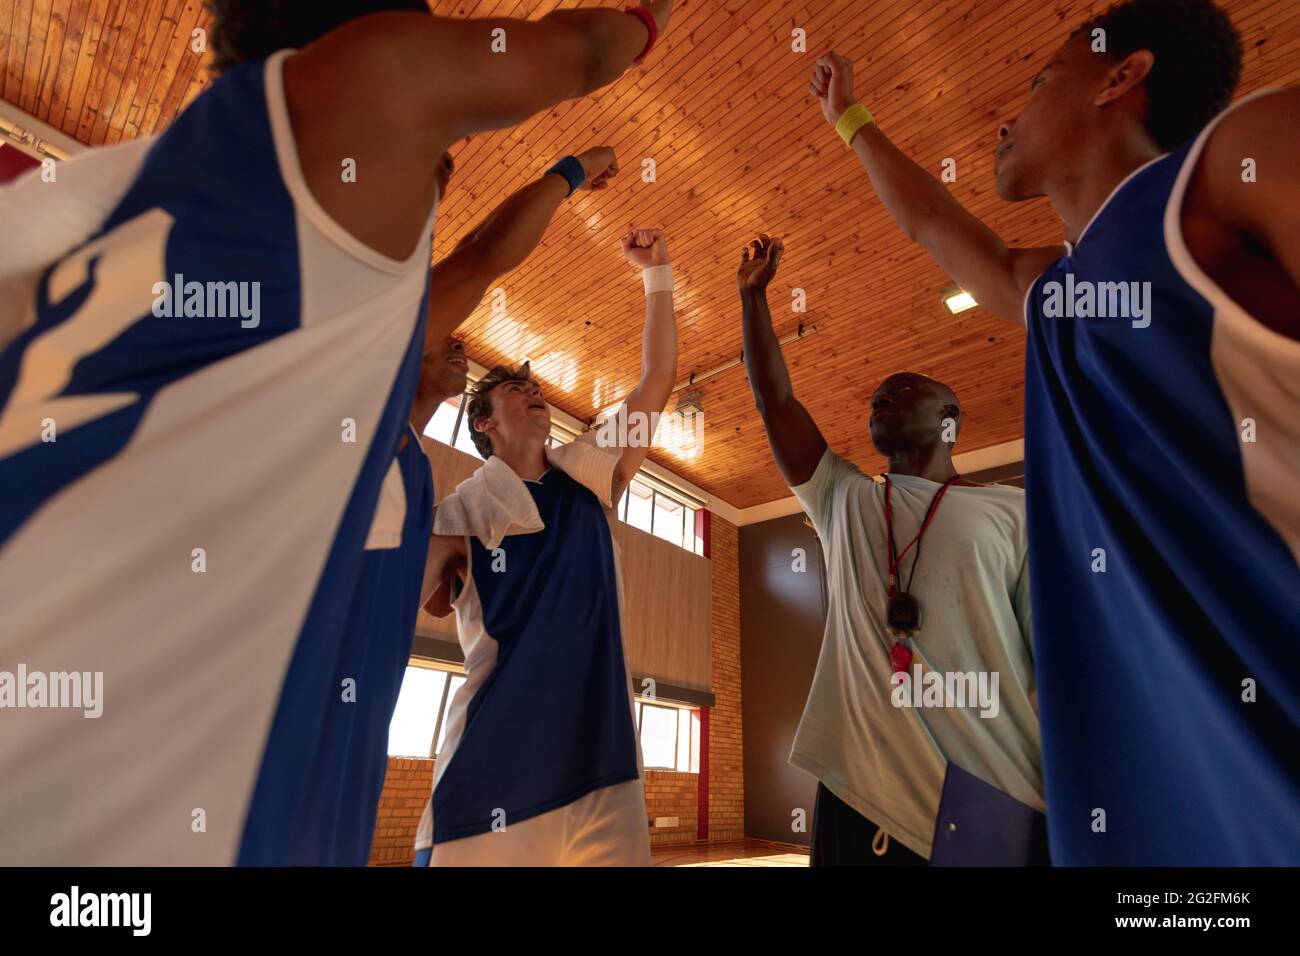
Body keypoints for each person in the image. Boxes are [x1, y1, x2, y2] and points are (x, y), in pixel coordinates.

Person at [0, 0, 672, 865]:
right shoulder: (326, 156)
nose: (439, 171)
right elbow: (555, 73)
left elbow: (479, 266)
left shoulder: (71, 217)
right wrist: (637, 34)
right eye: (437, 156)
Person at [809, 0, 1299, 863]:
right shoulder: (1058, 290)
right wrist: (849, 117)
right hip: (1133, 796)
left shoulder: (1232, 163)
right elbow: (933, 224)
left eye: (1039, 82)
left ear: (1123, 76)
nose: (1009, 112)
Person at [271, 147, 621, 865]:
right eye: (440, 334)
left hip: (345, 750)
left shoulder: (419, 483)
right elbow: (485, 252)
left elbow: (415, 590)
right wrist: (572, 171)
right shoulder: (361, 412)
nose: (455, 338)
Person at [737, 234, 1040, 865]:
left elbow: (1053, 669)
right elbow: (777, 402)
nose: (882, 398)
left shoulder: (1014, 511)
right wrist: (752, 299)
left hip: (982, 799)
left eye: (903, 391)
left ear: (950, 418)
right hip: (856, 797)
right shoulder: (842, 498)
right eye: (877, 397)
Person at [411, 228, 678, 866]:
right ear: (483, 422)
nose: (537, 392)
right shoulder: (459, 514)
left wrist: (658, 277)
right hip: (491, 772)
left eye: (537, 388)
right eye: (514, 389)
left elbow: (657, 381)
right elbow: (398, 597)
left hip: (604, 768)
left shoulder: (590, 472)